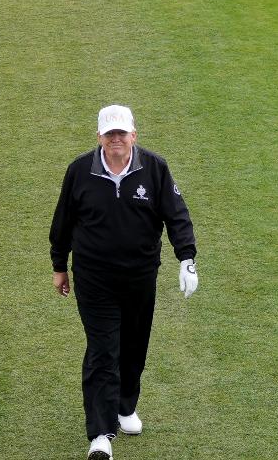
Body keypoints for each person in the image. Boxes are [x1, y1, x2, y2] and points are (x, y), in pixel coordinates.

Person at [49, 105, 197, 460]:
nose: (116, 139)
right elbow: (63, 220)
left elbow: (176, 215)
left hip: (139, 277)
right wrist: (59, 266)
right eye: (109, 133)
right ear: (99, 136)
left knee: (133, 345)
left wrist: (187, 258)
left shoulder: (155, 169)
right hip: (94, 278)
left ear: (134, 135)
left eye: (122, 133)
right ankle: (101, 435)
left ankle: (125, 405)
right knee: (103, 350)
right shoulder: (80, 171)